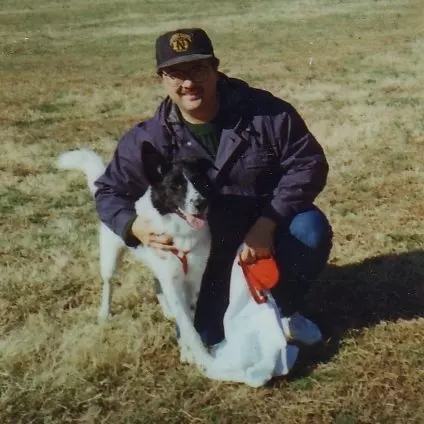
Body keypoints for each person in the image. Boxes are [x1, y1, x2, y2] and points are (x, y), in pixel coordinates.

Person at [94, 28, 333, 348]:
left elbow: (308, 164)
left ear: (216, 69)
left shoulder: (266, 113)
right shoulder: (149, 138)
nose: (189, 82)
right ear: (161, 78)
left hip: (262, 228)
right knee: (205, 341)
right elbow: (109, 191)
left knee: (309, 228)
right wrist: (133, 225)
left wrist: (267, 222)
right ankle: (189, 295)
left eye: (198, 70)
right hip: (205, 252)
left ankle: (284, 308)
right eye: (176, 73)